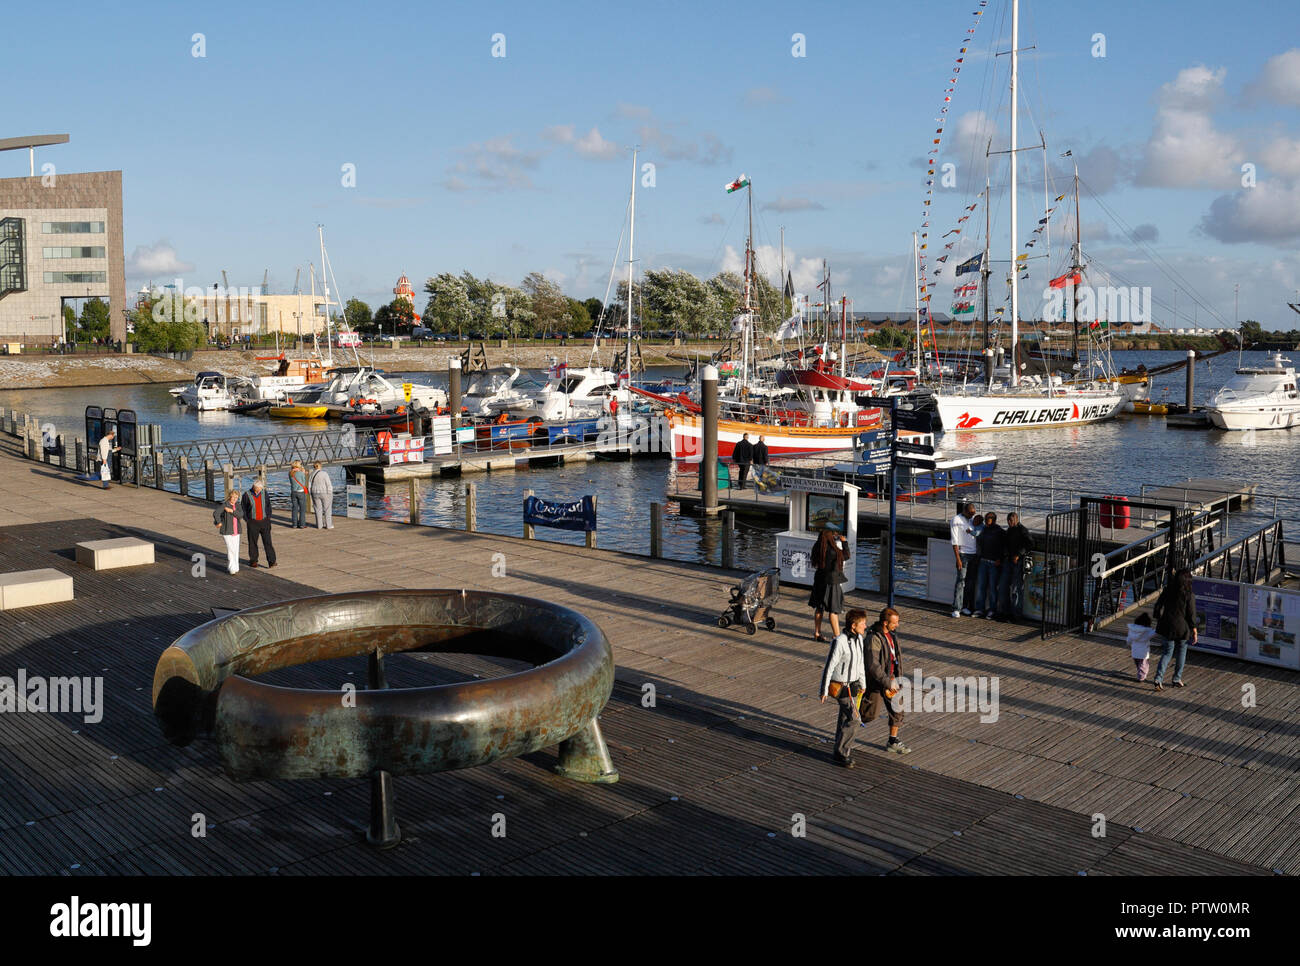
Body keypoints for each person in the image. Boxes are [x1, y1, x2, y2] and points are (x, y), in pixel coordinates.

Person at [819, 608, 869, 768]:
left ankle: (837, 751)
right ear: (853, 625)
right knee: (855, 719)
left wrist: (863, 683)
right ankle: (842, 751)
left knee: (845, 718)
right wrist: (824, 690)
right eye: (863, 624)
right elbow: (829, 665)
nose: (865, 626)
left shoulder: (859, 639)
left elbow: (860, 663)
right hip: (840, 687)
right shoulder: (839, 641)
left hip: (853, 686)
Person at [864, 607, 909, 754]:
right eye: (894, 623)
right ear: (885, 623)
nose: (897, 625)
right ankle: (846, 728)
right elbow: (873, 665)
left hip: (891, 680)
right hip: (877, 682)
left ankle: (892, 741)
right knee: (869, 714)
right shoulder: (873, 638)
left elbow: (896, 659)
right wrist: (887, 681)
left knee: (898, 710)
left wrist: (897, 679)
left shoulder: (892, 635)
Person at [1152, 568, 1198, 691]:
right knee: (1181, 652)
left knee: (1167, 653)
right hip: (1182, 627)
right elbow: (1191, 614)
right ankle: (1177, 679)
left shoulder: (1168, 590)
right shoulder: (1189, 595)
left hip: (1167, 625)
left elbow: (1158, 605)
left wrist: (1158, 617)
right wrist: (1194, 629)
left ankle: (1158, 678)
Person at [808, 526, 850, 642]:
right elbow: (846, 555)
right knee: (833, 610)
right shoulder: (833, 551)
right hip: (831, 582)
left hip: (819, 580)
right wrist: (844, 542)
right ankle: (837, 635)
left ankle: (817, 632)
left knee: (819, 608)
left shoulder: (817, 548)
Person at [1000, 511, 1033, 620]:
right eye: (1008, 520)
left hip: (1017, 562)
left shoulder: (1022, 530)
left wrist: (1019, 554)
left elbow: (1030, 543)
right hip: (1008, 561)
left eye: (1011, 520)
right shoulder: (1009, 530)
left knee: (1016, 589)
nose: (1009, 522)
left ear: (1016, 520)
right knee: (1003, 587)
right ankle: (1005, 612)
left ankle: (1016, 615)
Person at [949, 501, 979, 617]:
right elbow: (954, 541)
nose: (972, 515)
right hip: (963, 554)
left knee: (970, 582)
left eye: (974, 513)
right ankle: (957, 607)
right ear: (965, 511)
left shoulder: (973, 519)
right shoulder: (956, 520)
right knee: (961, 581)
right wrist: (958, 558)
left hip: (974, 554)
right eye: (971, 513)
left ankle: (966, 606)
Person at [974, 511, 1005, 618]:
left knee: (992, 588)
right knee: (981, 587)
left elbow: (1003, 547)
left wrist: (1000, 559)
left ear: (994, 520)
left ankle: (992, 610)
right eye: (985, 519)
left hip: (994, 563)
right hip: (983, 561)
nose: (986, 521)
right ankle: (980, 609)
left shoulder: (999, 531)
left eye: (988, 520)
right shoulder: (983, 529)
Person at [240, 478, 277, 569]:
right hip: (253, 522)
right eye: (257, 489)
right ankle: (253, 561)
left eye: (259, 489)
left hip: (264, 522)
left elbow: (268, 506)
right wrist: (247, 520)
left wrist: (268, 517)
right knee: (252, 543)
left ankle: (271, 561)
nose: (258, 491)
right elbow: (243, 508)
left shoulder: (264, 493)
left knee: (268, 542)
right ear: (253, 487)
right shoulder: (246, 495)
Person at [213, 488, 243, 574]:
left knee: (236, 549)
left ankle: (236, 567)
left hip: (236, 530)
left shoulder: (238, 505)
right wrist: (218, 522)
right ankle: (231, 568)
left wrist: (232, 511)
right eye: (233, 497)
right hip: (227, 530)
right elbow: (216, 513)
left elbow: (241, 515)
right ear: (230, 496)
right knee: (231, 549)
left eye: (236, 497)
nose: (234, 499)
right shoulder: (225, 504)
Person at [1128, 612, 1156, 682]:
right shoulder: (1146, 632)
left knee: (1138, 664)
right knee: (1144, 666)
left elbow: (1129, 639)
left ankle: (1140, 673)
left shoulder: (1132, 630)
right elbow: (1154, 633)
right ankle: (1141, 677)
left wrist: (1128, 643)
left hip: (1134, 652)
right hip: (1143, 653)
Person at [309, 461, 334, 529]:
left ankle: (319, 525)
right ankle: (328, 525)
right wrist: (330, 493)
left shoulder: (311, 474)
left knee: (317, 509)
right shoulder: (324, 473)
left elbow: (309, 485)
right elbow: (328, 484)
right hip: (324, 492)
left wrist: (310, 493)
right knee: (327, 509)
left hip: (314, 493)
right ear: (320, 466)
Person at [288, 460, 309, 529]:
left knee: (294, 508)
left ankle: (294, 524)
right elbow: (303, 483)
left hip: (293, 492)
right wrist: (303, 473)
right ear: (298, 465)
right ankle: (302, 524)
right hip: (300, 492)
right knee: (302, 509)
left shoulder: (290, 473)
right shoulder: (300, 473)